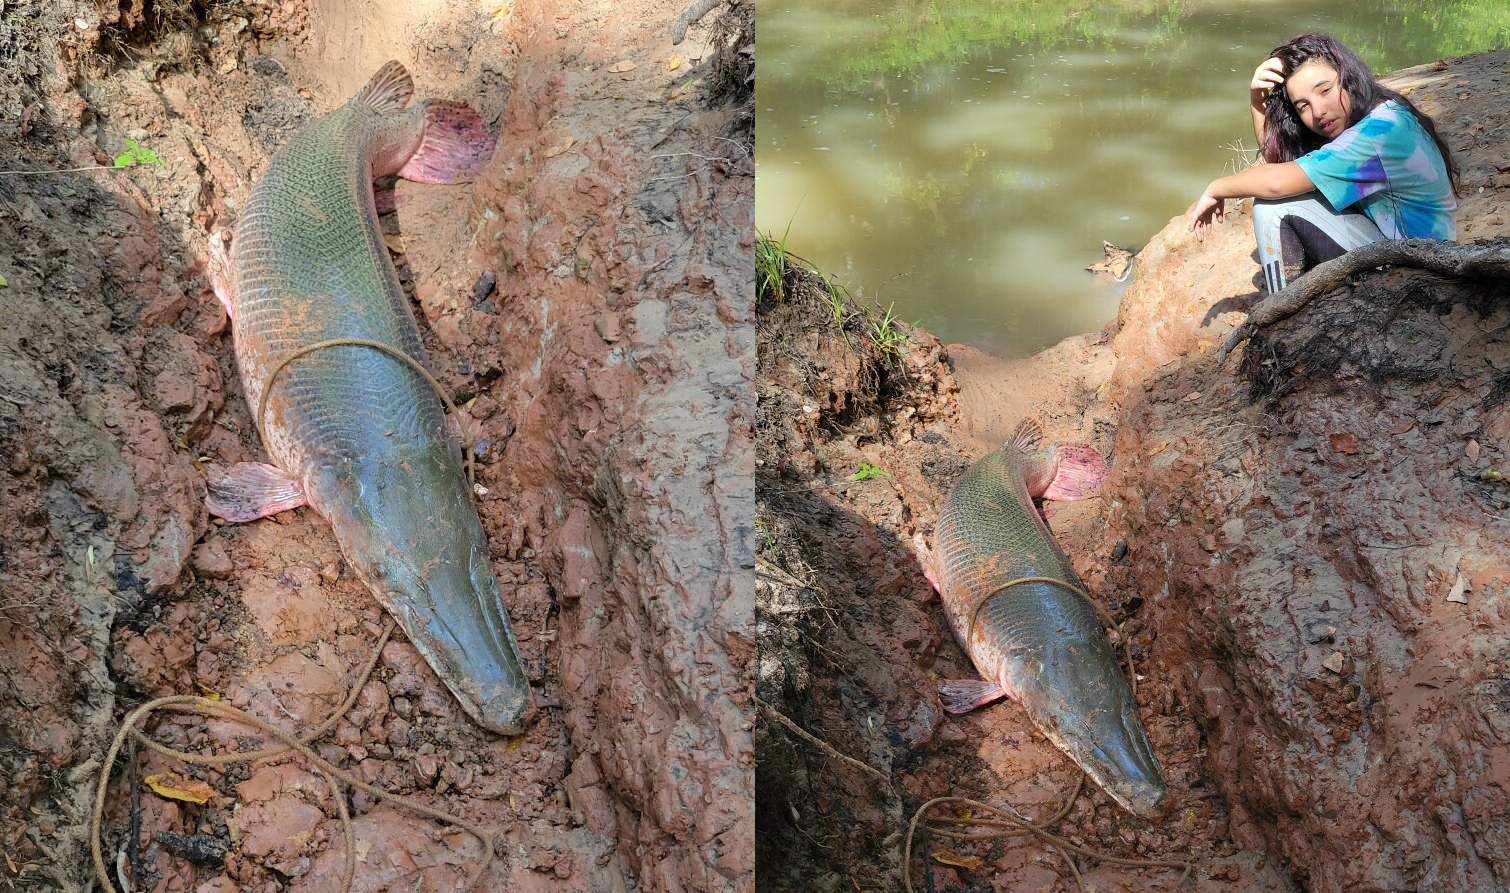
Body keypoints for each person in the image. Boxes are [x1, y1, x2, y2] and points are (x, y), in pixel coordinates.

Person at [1188, 33, 1459, 294]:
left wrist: (1215, 188)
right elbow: (1278, 162)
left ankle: (1284, 314)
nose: (1318, 111)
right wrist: (1257, 100)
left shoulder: (1376, 134)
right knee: (1283, 196)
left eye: (1325, 90)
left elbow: (1276, 182)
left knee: (1272, 210)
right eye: (1303, 106)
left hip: (1419, 270)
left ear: (1347, 77)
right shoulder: (1381, 109)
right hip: (1411, 250)